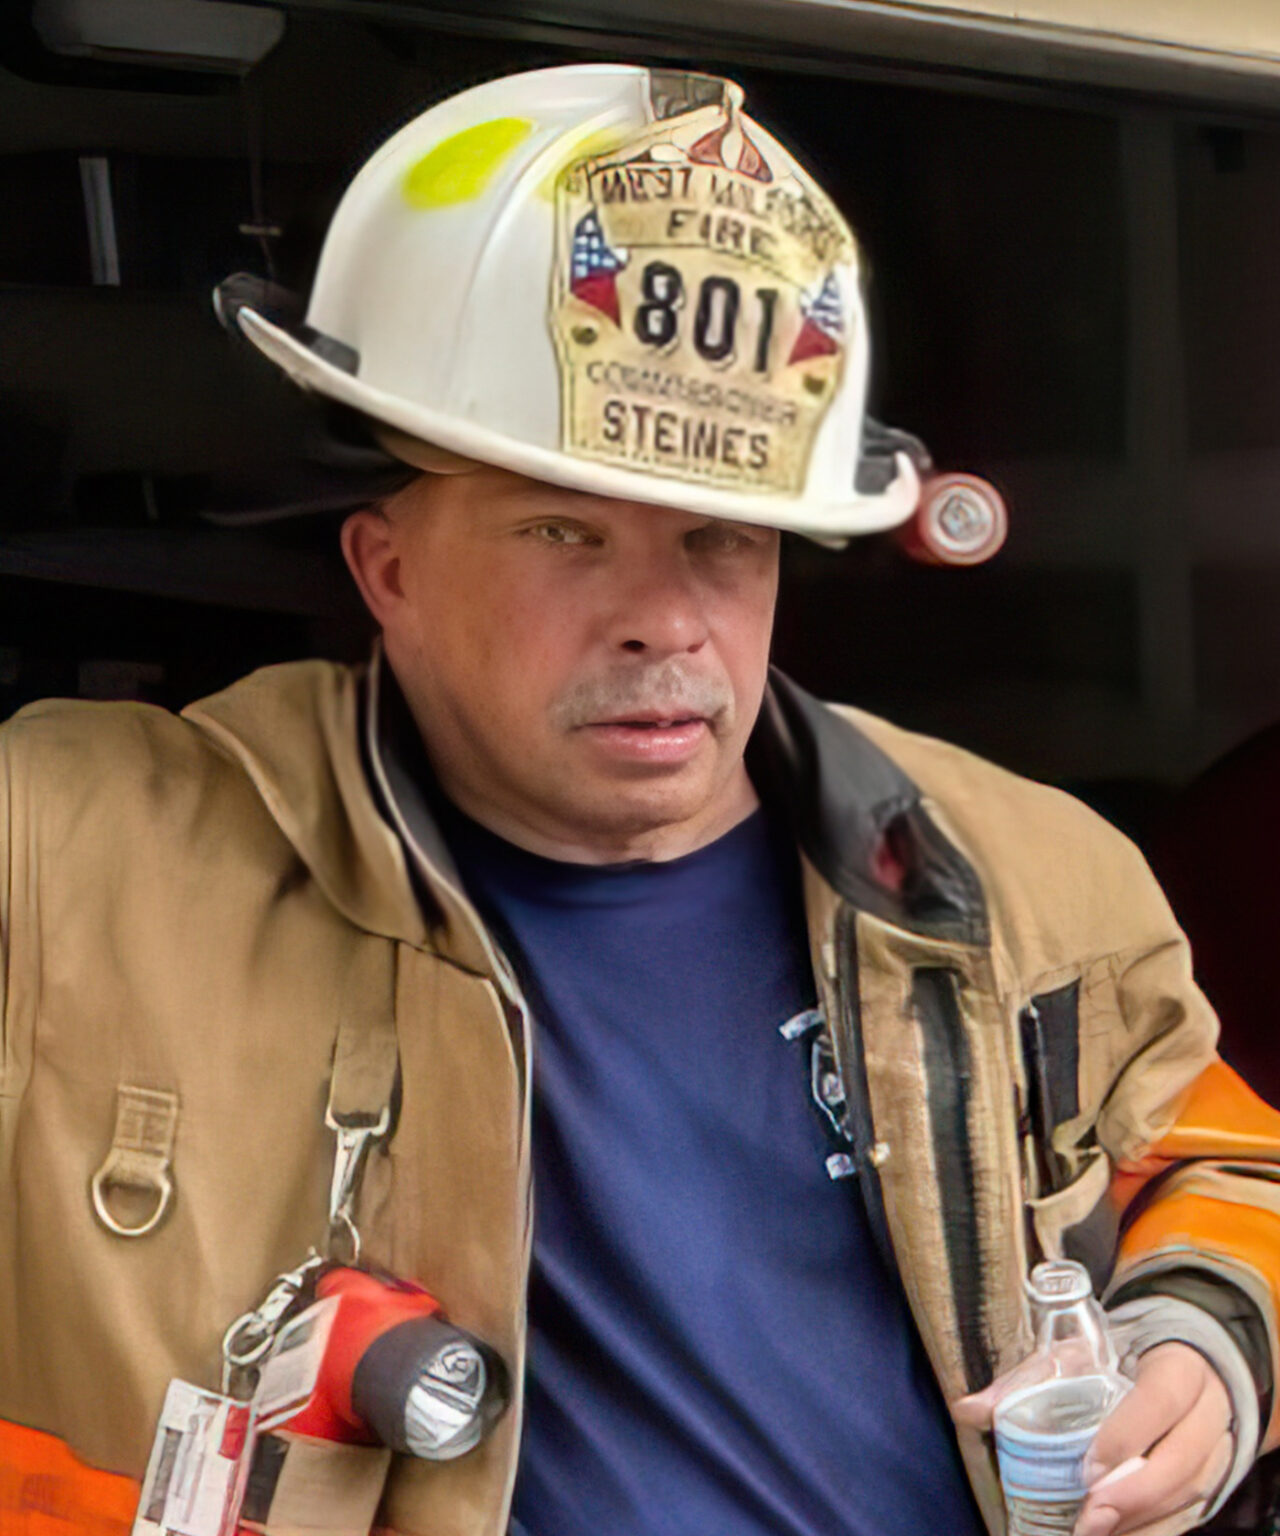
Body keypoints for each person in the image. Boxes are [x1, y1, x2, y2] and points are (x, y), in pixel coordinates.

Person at [1, 60, 1278, 1536]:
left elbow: (1223, 1167)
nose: (664, 620)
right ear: (388, 574)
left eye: (724, 544)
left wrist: (1200, 1346)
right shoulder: (73, 853)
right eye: (567, 533)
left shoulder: (1024, 872)